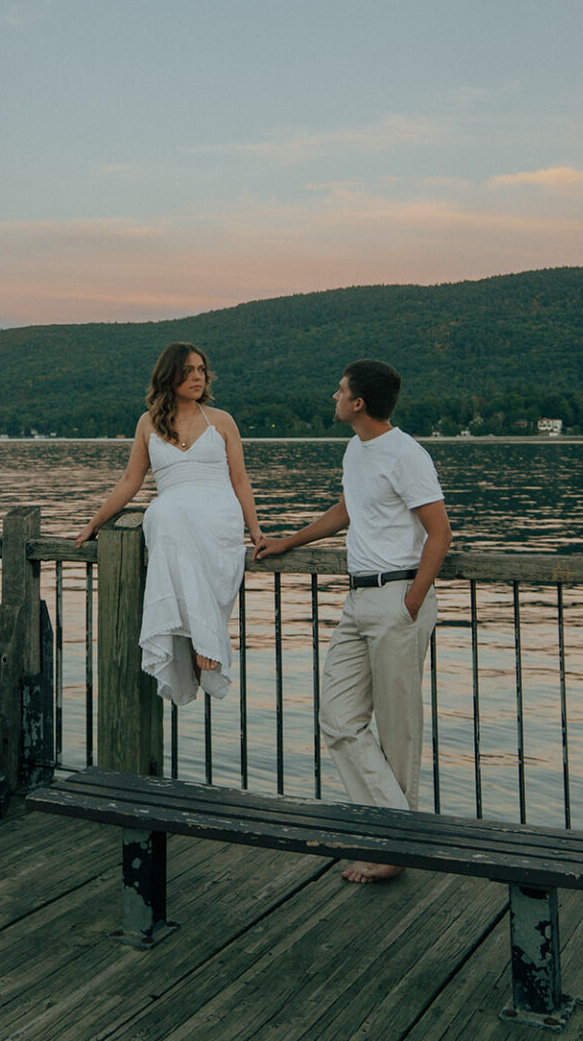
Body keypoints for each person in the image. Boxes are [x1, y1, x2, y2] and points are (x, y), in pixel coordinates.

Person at [255, 359, 451, 884]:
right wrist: (287, 542)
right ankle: (400, 833)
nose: (334, 397)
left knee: (399, 730)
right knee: (339, 718)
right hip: (358, 599)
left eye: (340, 390)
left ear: (359, 402)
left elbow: (440, 532)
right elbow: (347, 511)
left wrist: (411, 601)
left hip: (397, 600)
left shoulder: (407, 453)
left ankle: (392, 845)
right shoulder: (355, 449)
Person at [75, 342, 263, 707]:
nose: (197, 377)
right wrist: (93, 523)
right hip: (174, 511)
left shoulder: (221, 421)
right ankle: (199, 640)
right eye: (188, 371)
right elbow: (131, 480)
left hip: (217, 513)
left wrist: (254, 530)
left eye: (201, 370)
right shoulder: (148, 423)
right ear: (169, 375)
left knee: (167, 516)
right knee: (162, 513)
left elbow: (240, 480)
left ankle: (200, 639)